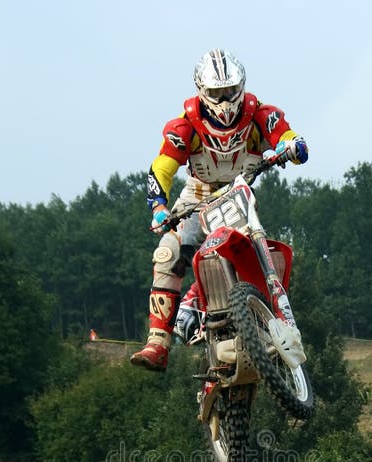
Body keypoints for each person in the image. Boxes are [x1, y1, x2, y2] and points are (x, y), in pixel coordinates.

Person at [130, 48, 309, 371]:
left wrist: (292, 146)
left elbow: (285, 135)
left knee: (249, 253)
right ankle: (158, 344)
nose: (225, 100)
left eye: (229, 91)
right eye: (217, 93)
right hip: (197, 196)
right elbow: (163, 167)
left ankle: (266, 329)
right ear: (202, 91)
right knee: (168, 253)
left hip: (239, 196)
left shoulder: (260, 115)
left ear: (240, 87)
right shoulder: (186, 126)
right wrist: (158, 207)